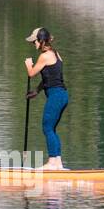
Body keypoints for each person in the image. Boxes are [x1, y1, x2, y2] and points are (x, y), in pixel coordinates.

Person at [24, 27, 68, 171]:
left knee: (47, 127)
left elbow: (32, 73)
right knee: (52, 129)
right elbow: (50, 77)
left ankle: (52, 163)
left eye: (35, 41)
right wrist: (36, 91)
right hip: (62, 95)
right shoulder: (56, 54)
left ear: (42, 41)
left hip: (55, 96)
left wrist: (28, 65)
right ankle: (58, 163)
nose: (34, 44)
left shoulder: (44, 56)